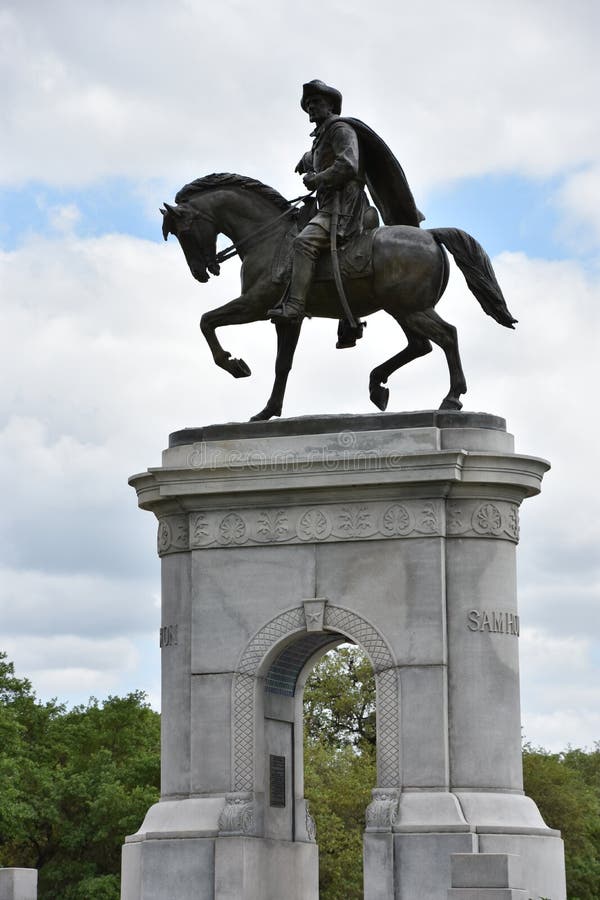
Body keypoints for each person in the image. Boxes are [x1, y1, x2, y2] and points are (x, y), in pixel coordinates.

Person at [268, 79, 423, 325]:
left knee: (303, 243)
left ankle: (295, 306)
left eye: (316, 102)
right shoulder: (322, 136)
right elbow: (324, 155)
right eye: (308, 104)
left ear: (330, 106)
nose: (311, 107)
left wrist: (317, 179)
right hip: (331, 205)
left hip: (344, 209)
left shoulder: (339, 129)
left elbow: (348, 164)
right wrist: (307, 159)